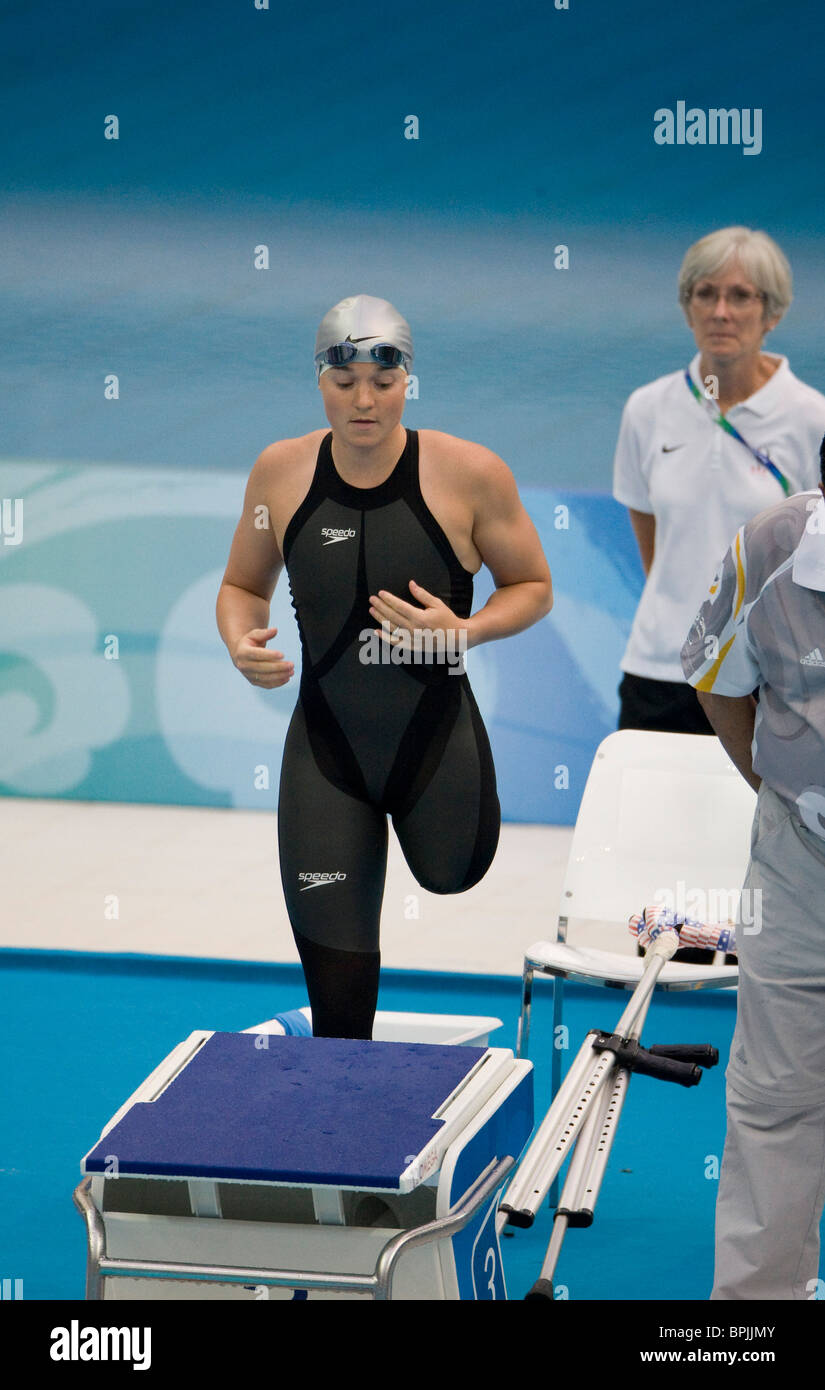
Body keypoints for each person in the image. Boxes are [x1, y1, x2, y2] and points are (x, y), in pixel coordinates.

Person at [216, 295, 552, 1039]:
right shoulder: (280, 471)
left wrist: (465, 630)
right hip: (326, 748)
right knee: (335, 997)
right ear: (318, 381)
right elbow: (242, 586)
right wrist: (240, 642)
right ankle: (338, 1120)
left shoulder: (469, 473)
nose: (363, 400)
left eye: (383, 381)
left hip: (431, 737)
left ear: (408, 381)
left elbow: (533, 587)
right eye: (344, 383)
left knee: (452, 872)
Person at [681, 436, 825, 1299]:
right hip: (799, 854)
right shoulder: (769, 547)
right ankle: (757, 1321)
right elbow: (712, 676)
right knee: (774, 1096)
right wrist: (776, 791)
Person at [613, 226, 825, 735]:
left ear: (771, 312)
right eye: (705, 294)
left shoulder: (811, 418)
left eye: (740, 296)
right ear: (688, 307)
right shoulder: (647, 409)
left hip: (767, 676)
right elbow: (655, 548)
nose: (721, 311)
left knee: (761, 817)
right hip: (659, 671)